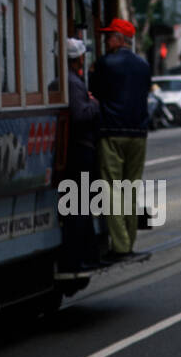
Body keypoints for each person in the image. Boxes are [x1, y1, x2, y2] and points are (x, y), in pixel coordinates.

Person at [89, 17, 151, 259]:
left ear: (119, 39)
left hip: (112, 133)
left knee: (112, 188)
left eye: (108, 36)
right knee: (131, 188)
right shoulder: (144, 65)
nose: (105, 41)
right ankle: (131, 241)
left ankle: (121, 246)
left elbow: (94, 93)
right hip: (138, 134)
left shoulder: (104, 64)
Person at [60, 38, 101, 270]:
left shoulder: (65, 80)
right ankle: (79, 259)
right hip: (80, 150)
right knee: (79, 207)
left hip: (75, 150)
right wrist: (94, 104)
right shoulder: (73, 82)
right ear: (79, 59)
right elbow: (80, 115)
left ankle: (88, 255)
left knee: (79, 206)